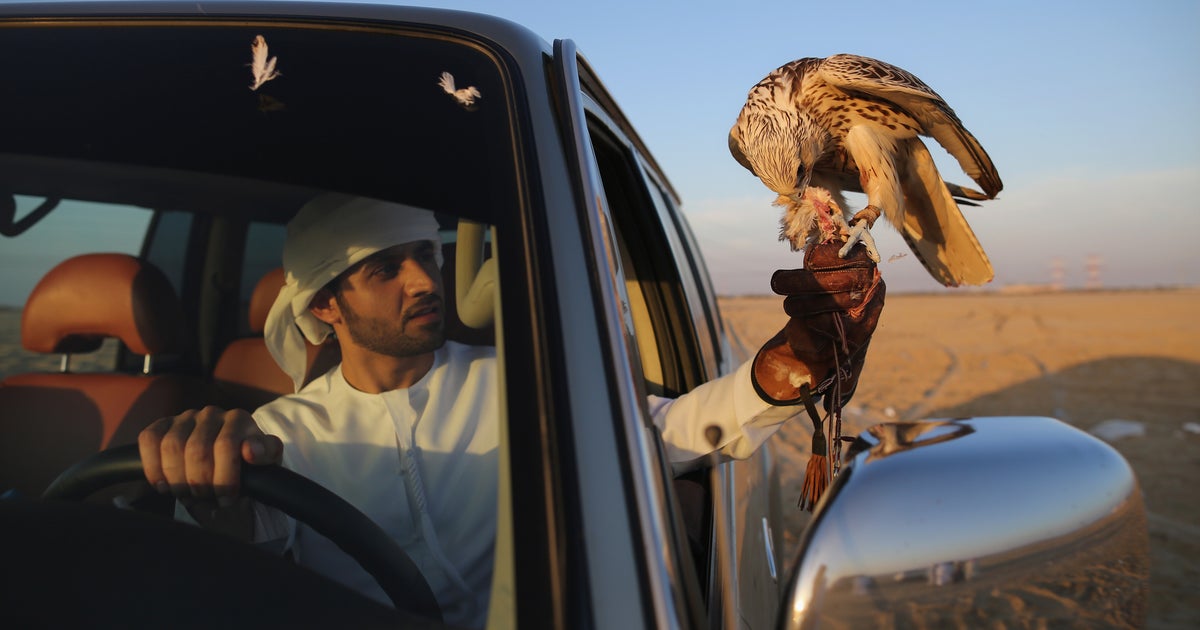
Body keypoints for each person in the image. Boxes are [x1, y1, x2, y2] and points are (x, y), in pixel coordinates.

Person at [138, 193, 884, 627]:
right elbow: (239, 573)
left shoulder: (519, 383)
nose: (423, 280)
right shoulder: (279, 437)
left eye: (426, 254)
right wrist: (209, 490)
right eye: (386, 268)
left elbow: (656, 434)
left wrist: (786, 368)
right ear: (327, 305)